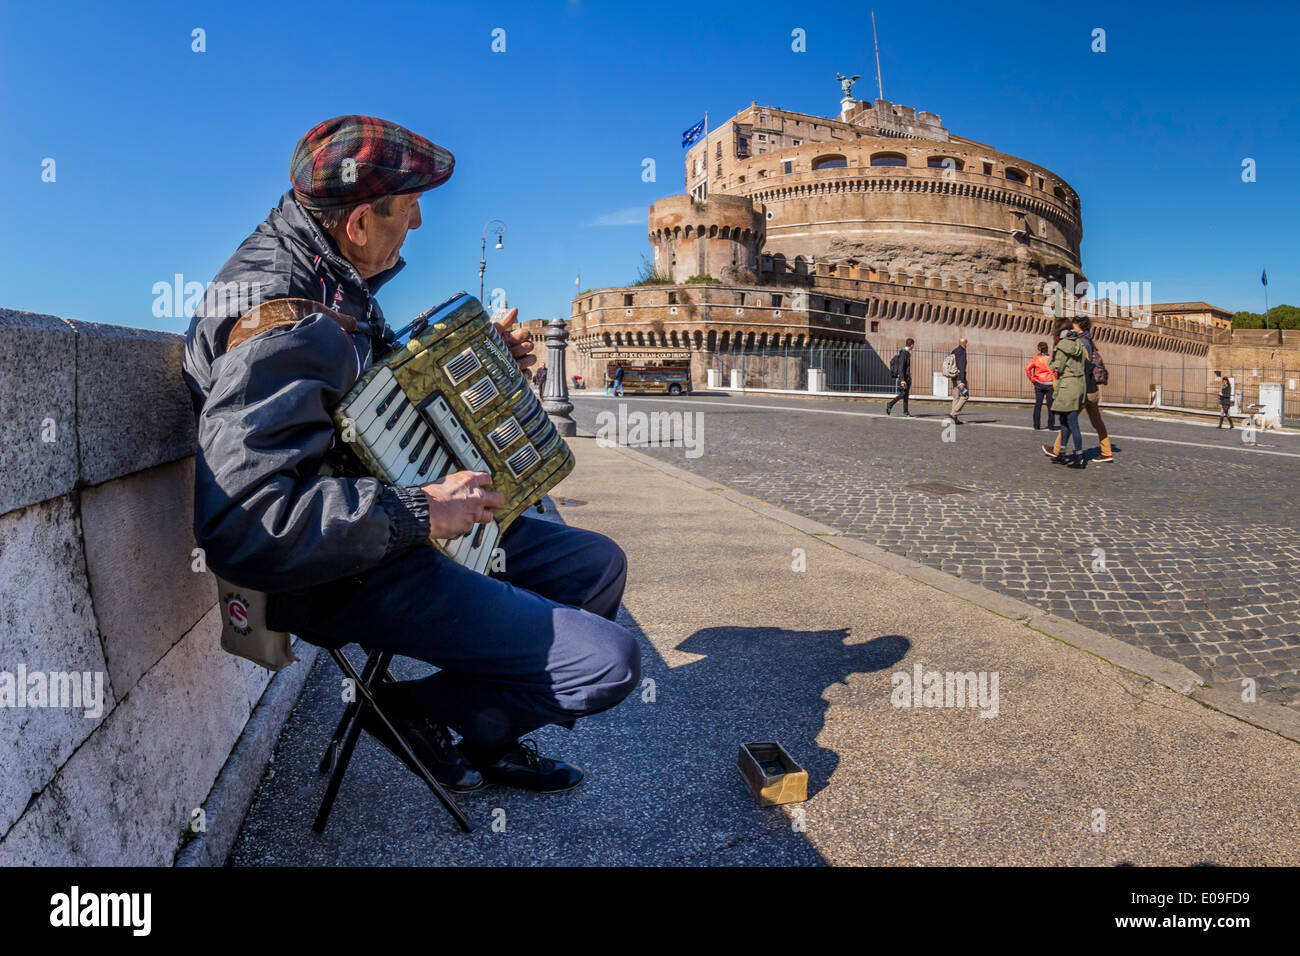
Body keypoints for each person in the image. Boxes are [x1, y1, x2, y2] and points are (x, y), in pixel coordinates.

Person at [182, 115, 639, 795]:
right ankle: (407, 716)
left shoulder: (323, 264)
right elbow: (248, 525)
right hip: (333, 573)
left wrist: (482, 358)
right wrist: (421, 510)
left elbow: (366, 396)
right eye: (410, 207)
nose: (420, 222)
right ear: (361, 223)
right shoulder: (280, 317)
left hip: (381, 527)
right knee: (606, 663)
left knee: (595, 567)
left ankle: (484, 734)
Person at [1041, 315, 1113, 463]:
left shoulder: (1080, 342)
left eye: (1073, 323)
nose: (1071, 325)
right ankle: (1106, 452)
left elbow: (1082, 366)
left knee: (1068, 419)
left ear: (1079, 325)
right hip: (1091, 389)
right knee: (1097, 422)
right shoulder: (1088, 340)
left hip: (1082, 389)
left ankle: (1057, 450)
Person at [1044, 319, 1087, 467]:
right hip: (1079, 385)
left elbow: (1058, 367)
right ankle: (1061, 453)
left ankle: (1079, 457)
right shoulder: (1079, 344)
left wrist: (1049, 362)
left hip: (1067, 386)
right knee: (1064, 421)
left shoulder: (1062, 345)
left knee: (1072, 423)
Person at [1025, 341, 1057, 430]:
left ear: (1039, 349)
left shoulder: (1036, 359)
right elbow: (1056, 370)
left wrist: (1032, 379)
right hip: (1050, 384)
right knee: (1050, 405)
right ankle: (1051, 425)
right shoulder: (1051, 358)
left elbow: (1027, 369)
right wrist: (1054, 377)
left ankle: (1036, 425)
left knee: (1038, 405)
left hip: (1039, 383)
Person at [885, 339, 914, 417]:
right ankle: (890, 404)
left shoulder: (906, 353)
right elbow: (901, 367)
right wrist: (902, 380)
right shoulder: (903, 354)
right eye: (913, 345)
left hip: (907, 377)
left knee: (905, 395)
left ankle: (906, 412)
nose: (913, 347)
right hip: (904, 378)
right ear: (911, 345)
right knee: (903, 393)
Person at [948, 337, 969, 424]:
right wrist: (963, 381)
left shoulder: (954, 351)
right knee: (965, 396)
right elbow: (962, 366)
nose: (967, 345)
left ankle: (955, 418)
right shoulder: (962, 352)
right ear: (965, 343)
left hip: (954, 377)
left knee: (956, 397)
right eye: (967, 343)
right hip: (960, 379)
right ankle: (953, 413)